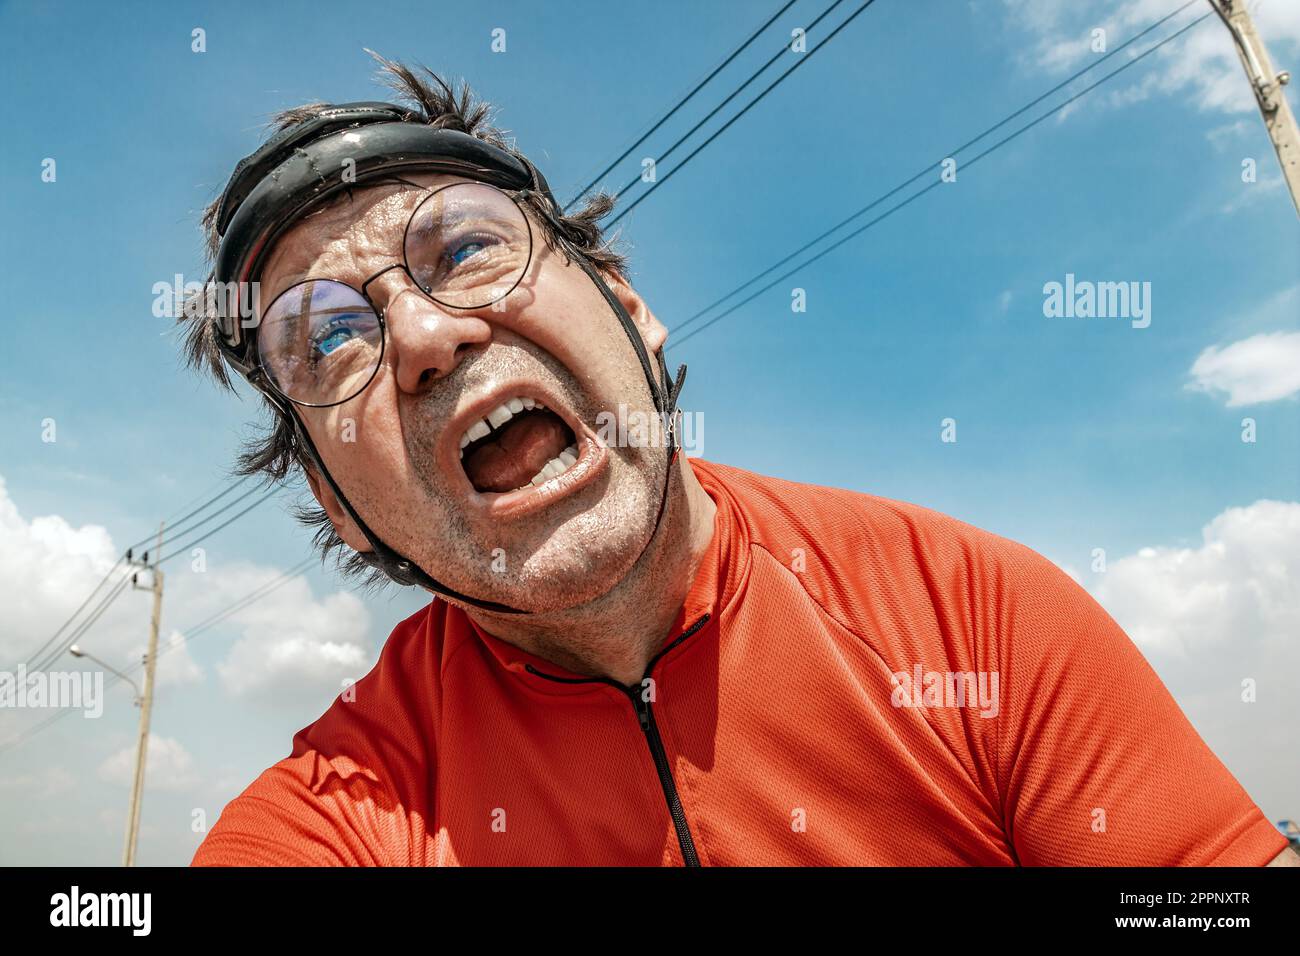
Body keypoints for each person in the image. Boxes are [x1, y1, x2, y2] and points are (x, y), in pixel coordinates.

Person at [182, 57, 1294, 866]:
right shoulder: (352, 804)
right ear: (334, 500)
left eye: (467, 246)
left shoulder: (976, 623)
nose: (426, 338)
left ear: (630, 308)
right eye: (325, 337)